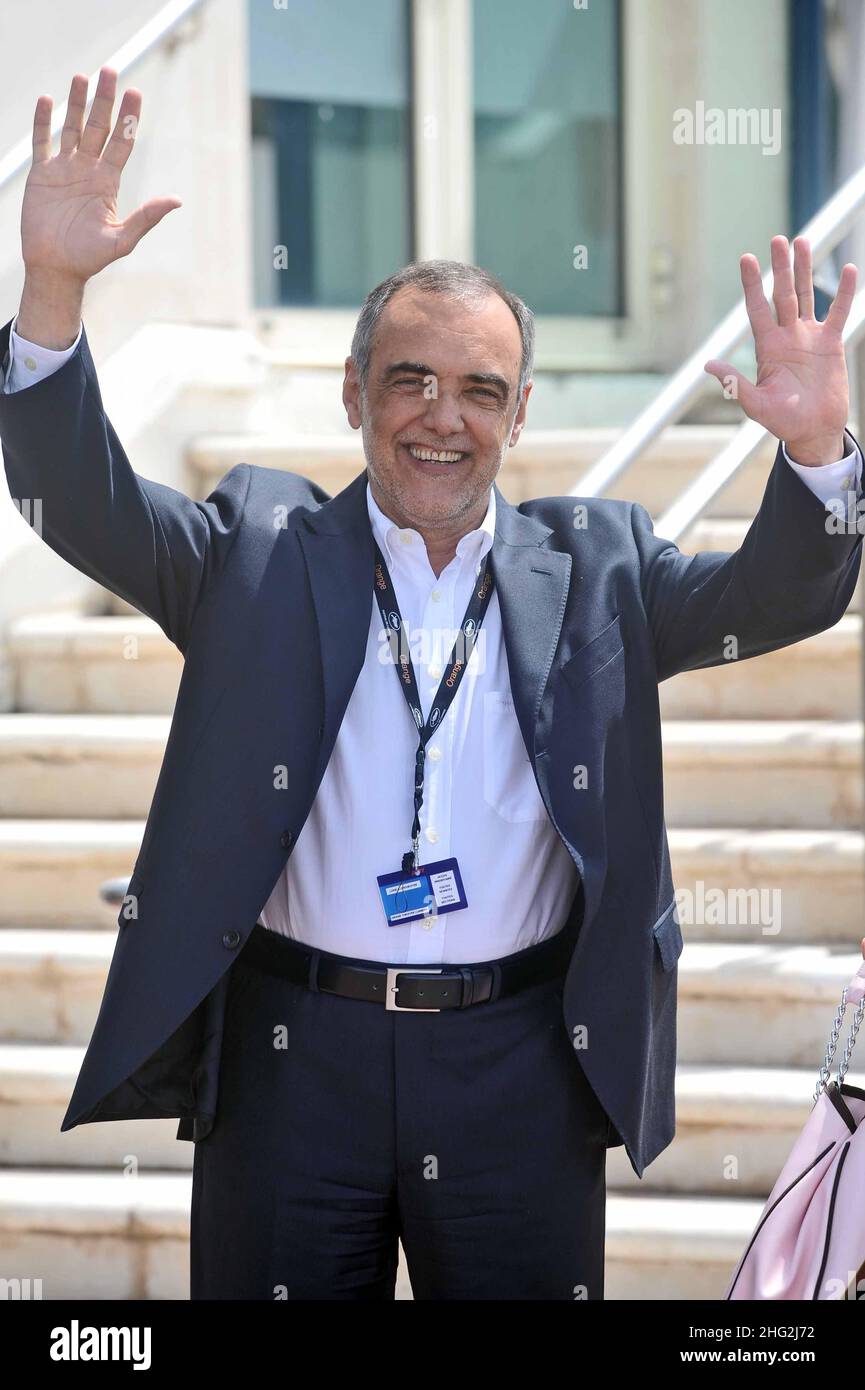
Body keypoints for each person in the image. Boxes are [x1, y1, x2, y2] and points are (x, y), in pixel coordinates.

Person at [1, 67, 862, 1301]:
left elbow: (779, 597)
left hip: (516, 1061)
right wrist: (51, 292)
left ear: (517, 415)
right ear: (353, 394)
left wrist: (818, 451)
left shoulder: (599, 566)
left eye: (477, 390)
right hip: (294, 1062)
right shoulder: (256, 550)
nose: (438, 418)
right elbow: (77, 499)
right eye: (408, 379)